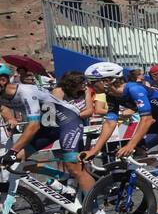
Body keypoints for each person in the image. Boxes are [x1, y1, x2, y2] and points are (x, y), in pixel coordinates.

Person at [81, 61, 158, 214]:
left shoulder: (134, 88)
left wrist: (129, 145)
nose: (90, 86)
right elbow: (110, 122)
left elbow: (146, 119)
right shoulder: (112, 96)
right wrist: (95, 149)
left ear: (107, 81)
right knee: (138, 152)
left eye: (93, 82)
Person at [0, 65, 97, 200]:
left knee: (74, 167)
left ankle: (96, 213)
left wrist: (12, 150)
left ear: (3, 81)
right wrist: (14, 153)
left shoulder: (26, 91)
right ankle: (62, 176)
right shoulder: (2, 96)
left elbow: (33, 125)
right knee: (18, 159)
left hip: (68, 121)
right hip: (48, 126)